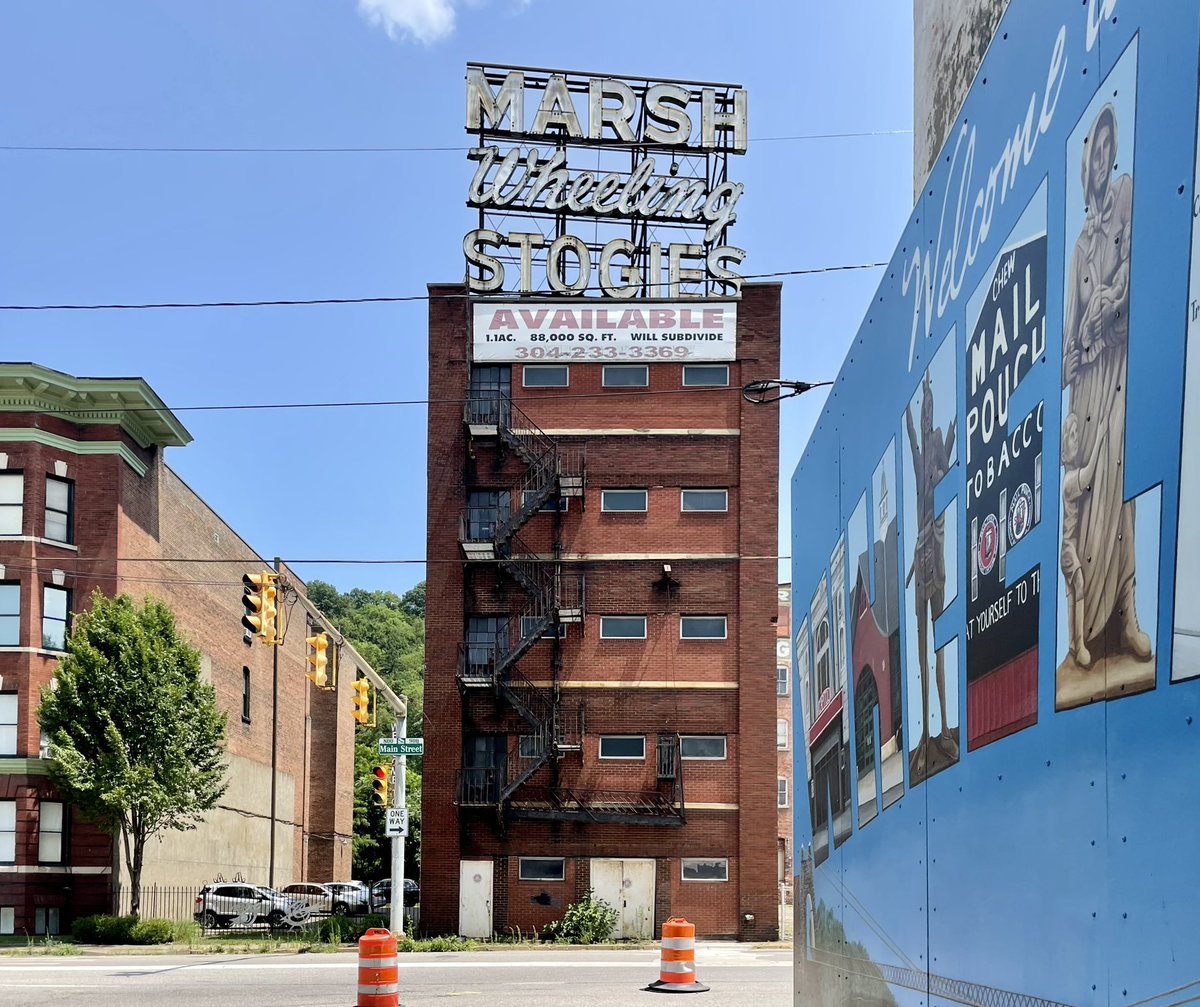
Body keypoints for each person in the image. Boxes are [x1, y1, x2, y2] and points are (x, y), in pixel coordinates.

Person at [1062, 104, 1151, 664]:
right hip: (1088, 388)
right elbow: (1066, 350)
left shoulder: (1126, 196)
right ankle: (1088, 633)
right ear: (1084, 165)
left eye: (1107, 148)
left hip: (1119, 370)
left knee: (1123, 490)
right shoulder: (1077, 250)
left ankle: (1129, 614)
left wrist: (1112, 304)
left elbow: (1138, 271)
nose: (1101, 158)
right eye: (1093, 150)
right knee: (1091, 500)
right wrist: (1079, 343)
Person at [905, 372, 957, 775]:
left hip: (935, 565)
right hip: (921, 568)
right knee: (924, 654)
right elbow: (912, 437)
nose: (927, 417)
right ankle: (924, 733)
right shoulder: (922, 460)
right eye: (924, 410)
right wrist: (908, 408)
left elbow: (942, 441)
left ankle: (942, 729)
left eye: (930, 410)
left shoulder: (939, 459)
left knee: (939, 649)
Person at [1060, 412, 1108, 668]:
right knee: (1079, 585)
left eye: (1077, 433)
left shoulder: (1068, 477)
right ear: (1063, 450)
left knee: (1071, 593)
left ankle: (1072, 643)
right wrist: (1098, 438)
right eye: (1072, 435)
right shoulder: (1069, 481)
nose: (1076, 438)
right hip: (1069, 548)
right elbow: (1088, 476)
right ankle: (1079, 645)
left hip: (1068, 548)